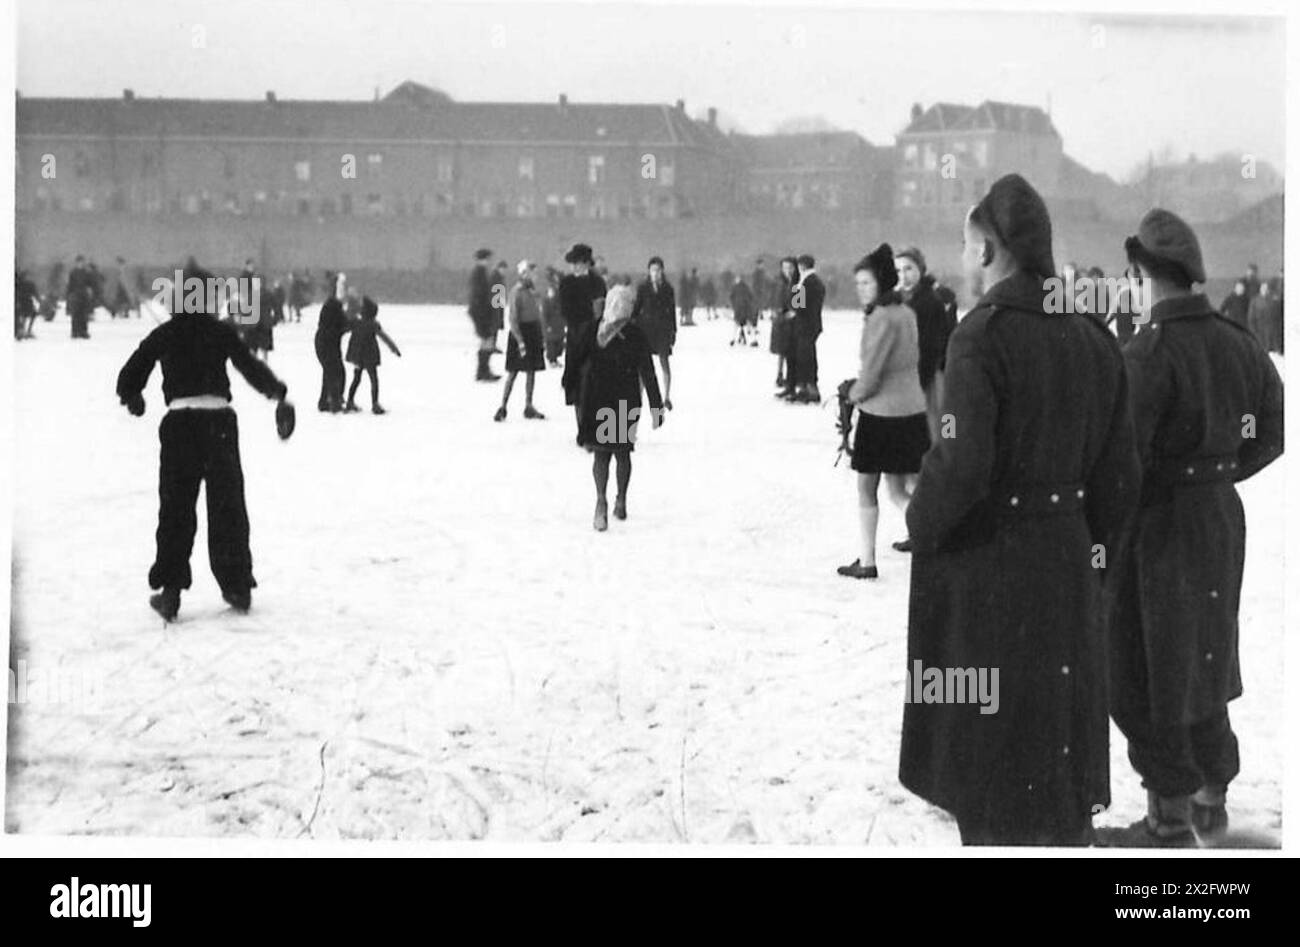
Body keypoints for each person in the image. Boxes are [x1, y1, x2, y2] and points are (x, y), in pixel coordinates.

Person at [899, 174, 1141, 846]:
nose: (961, 260)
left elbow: (961, 462)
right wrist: (1088, 552)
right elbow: (1122, 478)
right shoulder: (1095, 336)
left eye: (964, 245)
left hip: (993, 576)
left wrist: (920, 521)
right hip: (1066, 567)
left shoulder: (981, 335)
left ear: (985, 251)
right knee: (1055, 758)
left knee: (994, 767)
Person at [1099, 210, 1284, 848]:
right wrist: (1219, 470)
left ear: (1141, 275)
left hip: (1159, 526)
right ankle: (1212, 797)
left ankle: (1168, 816)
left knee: (1145, 667)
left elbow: (1123, 460)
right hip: (1218, 518)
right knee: (1205, 655)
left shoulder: (1146, 352)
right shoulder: (1242, 343)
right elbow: (1268, 437)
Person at [114, 259, 293, 621]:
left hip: (180, 425)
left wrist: (133, 397)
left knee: (176, 507)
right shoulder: (221, 332)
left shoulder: (165, 334)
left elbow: (131, 373)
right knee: (227, 505)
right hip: (219, 425)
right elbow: (250, 367)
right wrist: (278, 394)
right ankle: (237, 585)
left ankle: (171, 590)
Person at [835, 245, 929, 579]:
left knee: (866, 488)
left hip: (881, 415)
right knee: (899, 487)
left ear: (881, 284)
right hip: (913, 409)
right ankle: (930, 531)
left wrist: (852, 394)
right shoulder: (906, 313)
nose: (860, 289)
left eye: (866, 283)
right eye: (858, 283)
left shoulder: (879, 319)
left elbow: (872, 375)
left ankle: (867, 560)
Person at [563, 278, 664, 531]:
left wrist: (570, 388)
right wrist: (656, 406)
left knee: (602, 453)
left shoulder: (595, 329)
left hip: (600, 398)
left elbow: (575, 361)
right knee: (620, 452)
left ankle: (602, 502)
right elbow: (647, 372)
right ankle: (618, 499)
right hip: (621, 399)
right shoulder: (633, 333)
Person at [896, 246, 956, 448]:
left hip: (929, 375)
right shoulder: (899, 301)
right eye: (898, 271)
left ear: (920, 270)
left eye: (908, 269)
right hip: (910, 377)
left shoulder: (930, 301)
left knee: (937, 432)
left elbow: (931, 346)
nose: (903, 276)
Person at [558, 243, 607, 429]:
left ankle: (593, 425)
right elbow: (565, 310)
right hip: (576, 338)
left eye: (577, 263)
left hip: (596, 339)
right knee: (577, 383)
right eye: (573, 263)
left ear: (586, 263)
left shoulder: (598, 282)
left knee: (595, 383)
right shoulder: (566, 283)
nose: (574, 267)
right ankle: (582, 427)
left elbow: (603, 308)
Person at [495, 260, 547, 421]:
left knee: (531, 371)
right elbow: (513, 318)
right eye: (532, 273)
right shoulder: (517, 292)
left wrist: (542, 336)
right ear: (524, 274)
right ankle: (503, 406)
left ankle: (529, 405)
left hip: (533, 333)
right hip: (521, 334)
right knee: (513, 372)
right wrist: (520, 340)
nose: (535, 276)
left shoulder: (532, 292)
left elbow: (538, 314)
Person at [631, 256, 677, 411]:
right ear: (649, 272)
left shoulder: (668, 289)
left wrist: (673, 331)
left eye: (658, 270)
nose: (656, 273)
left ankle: (667, 396)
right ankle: (639, 397)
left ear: (662, 271)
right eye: (653, 270)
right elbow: (637, 308)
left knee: (664, 362)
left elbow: (671, 312)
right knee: (644, 365)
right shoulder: (643, 288)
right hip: (646, 330)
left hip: (663, 330)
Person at [345, 296, 402, 414]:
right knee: (374, 380)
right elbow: (384, 337)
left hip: (357, 356)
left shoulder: (356, 323)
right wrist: (394, 349)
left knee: (356, 379)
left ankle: (350, 401)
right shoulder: (373, 325)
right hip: (370, 356)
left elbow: (344, 327)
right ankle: (375, 404)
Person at [788, 254, 825, 403]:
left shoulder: (805, 282)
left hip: (805, 325)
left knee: (806, 358)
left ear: (801, 266)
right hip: (813, 324)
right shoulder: (817, 281)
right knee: (809, 356)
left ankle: (808, 389)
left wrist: (794, 289)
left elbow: (797, 305)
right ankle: (808, 387)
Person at [315, 272, 353, 412]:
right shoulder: (332, 306)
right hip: (326, 344)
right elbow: (338, 325)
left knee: (331, 371)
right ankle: (334, 401)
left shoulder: (334, 305)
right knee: (334, 372)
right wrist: (349, 325)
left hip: (328, 343)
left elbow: (342, 324)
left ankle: (325, 400)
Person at [468, 248, 501, 382]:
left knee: (486, 341)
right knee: (486, 340)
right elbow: (480, 295)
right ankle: (483, 371)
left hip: (481, 311)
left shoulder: (480, 273)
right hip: (481, 312)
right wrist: (485, 312)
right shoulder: (479, 273)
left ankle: (483, 370)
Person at [771, 257, 797, 391]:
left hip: (791, 323)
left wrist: (791, 313)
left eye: (790, 267)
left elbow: (798, 306)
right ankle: (780, 375)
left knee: (790, 352)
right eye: (785, 267)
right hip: (780, 322)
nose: (788, 271)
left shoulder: (797, 284)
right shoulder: (779, 282)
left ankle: (791, 379)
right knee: (781, 351)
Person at [1246, 278, 1283, 355]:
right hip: (1260, 332)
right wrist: (1254, 332)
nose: (1265, 290)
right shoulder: (1255, 301)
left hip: (1273, 334)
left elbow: (1278, 318)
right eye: (1263, 288)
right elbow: (1251, 319)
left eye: (1266, 288)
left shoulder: (1274, 301)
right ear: (1260, 289)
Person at [65, 255, 94, 339]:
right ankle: (75, 331)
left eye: (82, 262)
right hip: (75, 295)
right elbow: (70, 285)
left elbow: (90, 284)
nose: (81, 264)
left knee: (84, 314)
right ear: (76, 263)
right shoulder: (73, 273)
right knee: (75, 314)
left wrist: (90, 292)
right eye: (79, 262)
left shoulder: (86, 272)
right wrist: (69, 295)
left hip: (84, 295)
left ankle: (83, 331)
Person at [729, 274, 755, 346]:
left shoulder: (735, 287)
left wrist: (734, 305)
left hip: (738, 309)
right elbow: (751, 296)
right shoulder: (746, 287)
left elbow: (731, 297)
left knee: (737, 324)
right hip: (746, 308)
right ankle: (753, 340)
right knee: (748, 324)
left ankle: (733, 339)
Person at [15, 267, 40, 340]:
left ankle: (24, 330)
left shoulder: (20, 283)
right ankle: (24, 330)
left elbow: (35, 293)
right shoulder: (28, 283)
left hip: (24, 302)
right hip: (24, 302)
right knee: (28, 315)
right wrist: (38, 300)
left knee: (27, 315)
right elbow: (35, 293)